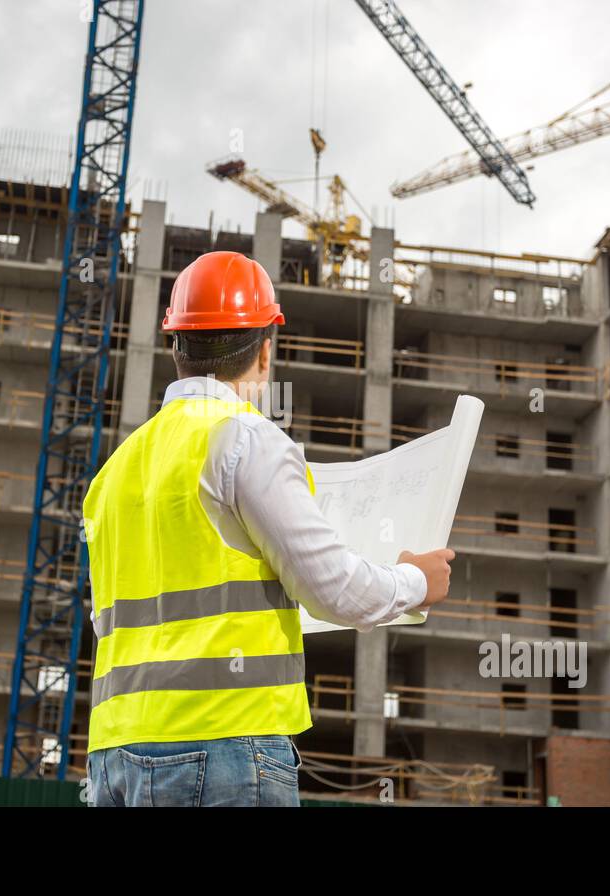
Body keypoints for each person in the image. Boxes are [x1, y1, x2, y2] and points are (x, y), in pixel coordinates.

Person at [83, 250, 454, 806]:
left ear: (174, 346)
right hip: (224, 744)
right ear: (265, 351)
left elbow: (108, 621)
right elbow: (332, 590)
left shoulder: (112, 474)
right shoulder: (245, 440)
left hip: (115, 756)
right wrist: (415, 581)